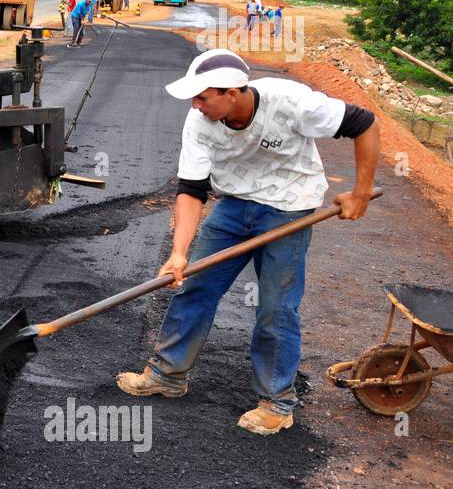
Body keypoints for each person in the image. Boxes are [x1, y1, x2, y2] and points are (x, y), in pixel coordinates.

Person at [117, 50, 379, 434]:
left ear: (233, 93)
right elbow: (191, 190)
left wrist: (361, 191)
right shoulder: (199, 121)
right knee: (195, 286)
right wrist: (178, 254)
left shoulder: (291, 101)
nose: (196, 105)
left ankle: (277, 402)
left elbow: (365, 123)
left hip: (290, 207)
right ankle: (168, 375)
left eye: (203, 97)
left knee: (276, 306)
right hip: (235, 205)